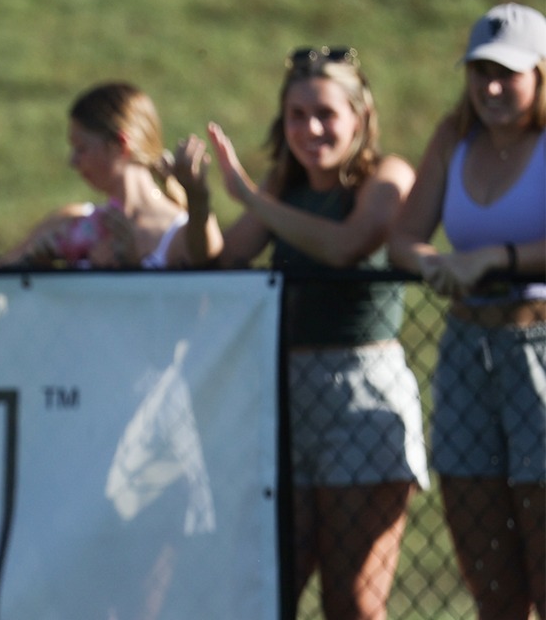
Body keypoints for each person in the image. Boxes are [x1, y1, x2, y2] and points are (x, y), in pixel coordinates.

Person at [172, 46, 423, 620]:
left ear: (360, 116)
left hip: (360, 394)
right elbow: (223, 258)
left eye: (326, 114)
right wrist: (200, 202)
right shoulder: (282, 188)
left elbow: (345, 246)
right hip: (284, 395)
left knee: (352, 602)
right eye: (296, 115)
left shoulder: (388, 177)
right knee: (270, 588)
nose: (310, 128)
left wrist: (252, 198)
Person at [389, 2, 546, 620]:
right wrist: (435, 262)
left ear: (540, 73)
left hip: (538, 351)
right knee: (485, 562)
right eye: (480, 71)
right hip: (464, 354)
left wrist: (495, 260)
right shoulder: (454, 137)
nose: (491, 87)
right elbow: (404, 237)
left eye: (508, 73)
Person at [0, 81, 219, 269]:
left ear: (120, 144)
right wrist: (36, 266)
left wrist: (132, 266)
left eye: (81, 148)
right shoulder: (70, 221)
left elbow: (206, 258)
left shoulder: (179, 231)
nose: (72, 161)